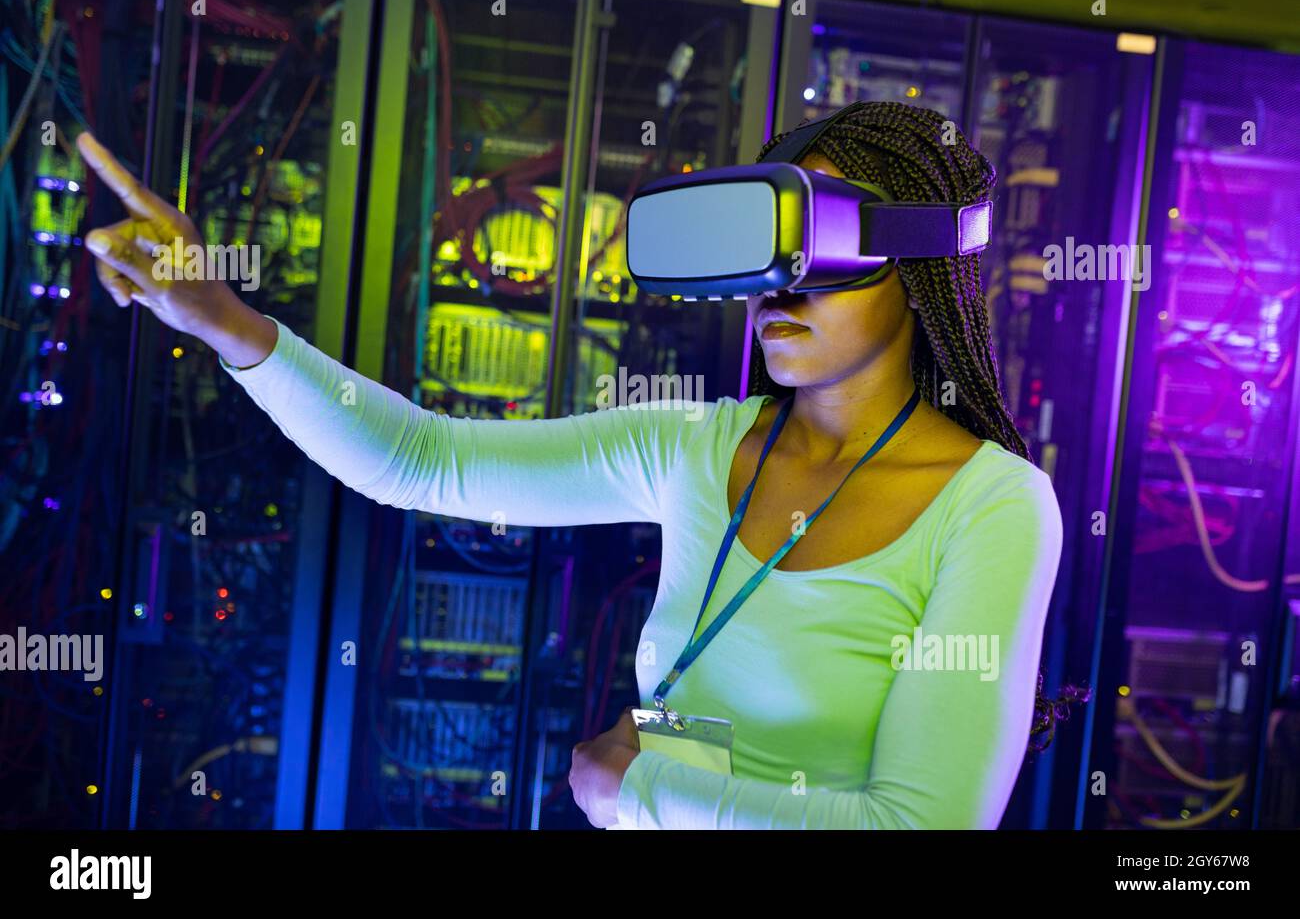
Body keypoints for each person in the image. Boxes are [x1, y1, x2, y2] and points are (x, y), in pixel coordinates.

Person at [76, 99, 1070, 829]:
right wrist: (223, 320)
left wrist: (633, 787)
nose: (778, 291)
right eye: (763, 262)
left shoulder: (993, 507)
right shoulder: (695, 445)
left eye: (816, 254)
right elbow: (426, 461)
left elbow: (920, 824)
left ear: (915, 262)